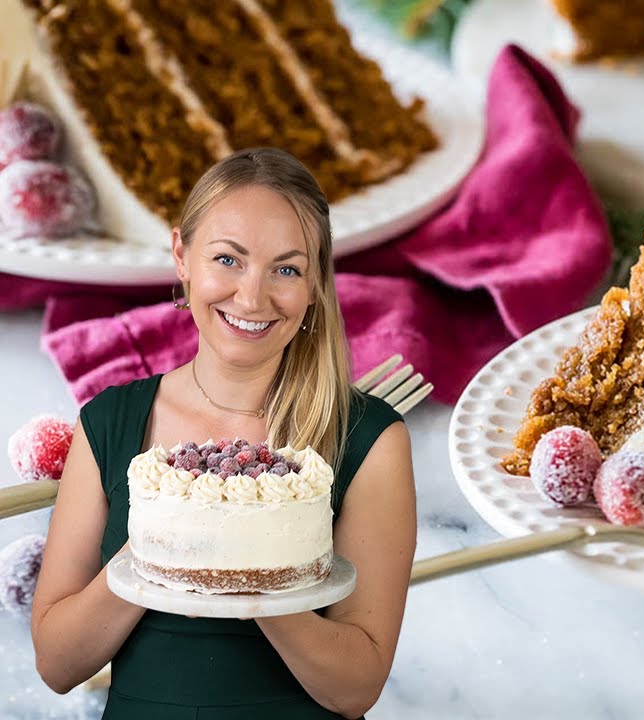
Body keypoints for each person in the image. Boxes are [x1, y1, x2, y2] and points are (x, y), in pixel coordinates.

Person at [29, 148, 417, 719]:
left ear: (314, 286)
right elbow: (57, 665)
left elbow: (356, 689)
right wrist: (168, 542)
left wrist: (247, 564)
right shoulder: (109, 422)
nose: (252, 297)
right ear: (182, 257)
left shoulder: (371, 439)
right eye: (228, 259)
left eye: (286, 269)